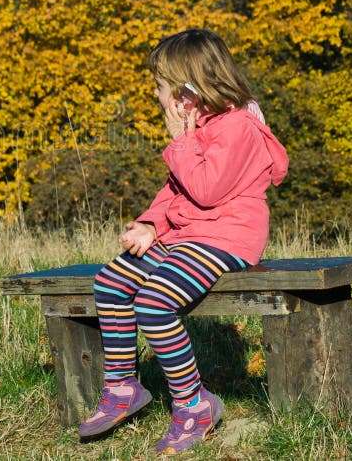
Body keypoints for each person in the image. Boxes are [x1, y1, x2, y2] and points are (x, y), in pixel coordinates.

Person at [78, 28, 288, 454]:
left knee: (154, 303)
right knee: (110, 283)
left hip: (225, 239)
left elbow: (207, 189)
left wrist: (181, 141)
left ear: (187, 91)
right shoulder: (200, 128)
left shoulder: (237, 129)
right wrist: (151, 225)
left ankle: (194, 405)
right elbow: (175, 191)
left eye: (160, 86)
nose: (156, 96)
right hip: (186, 235)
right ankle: (122, 387)